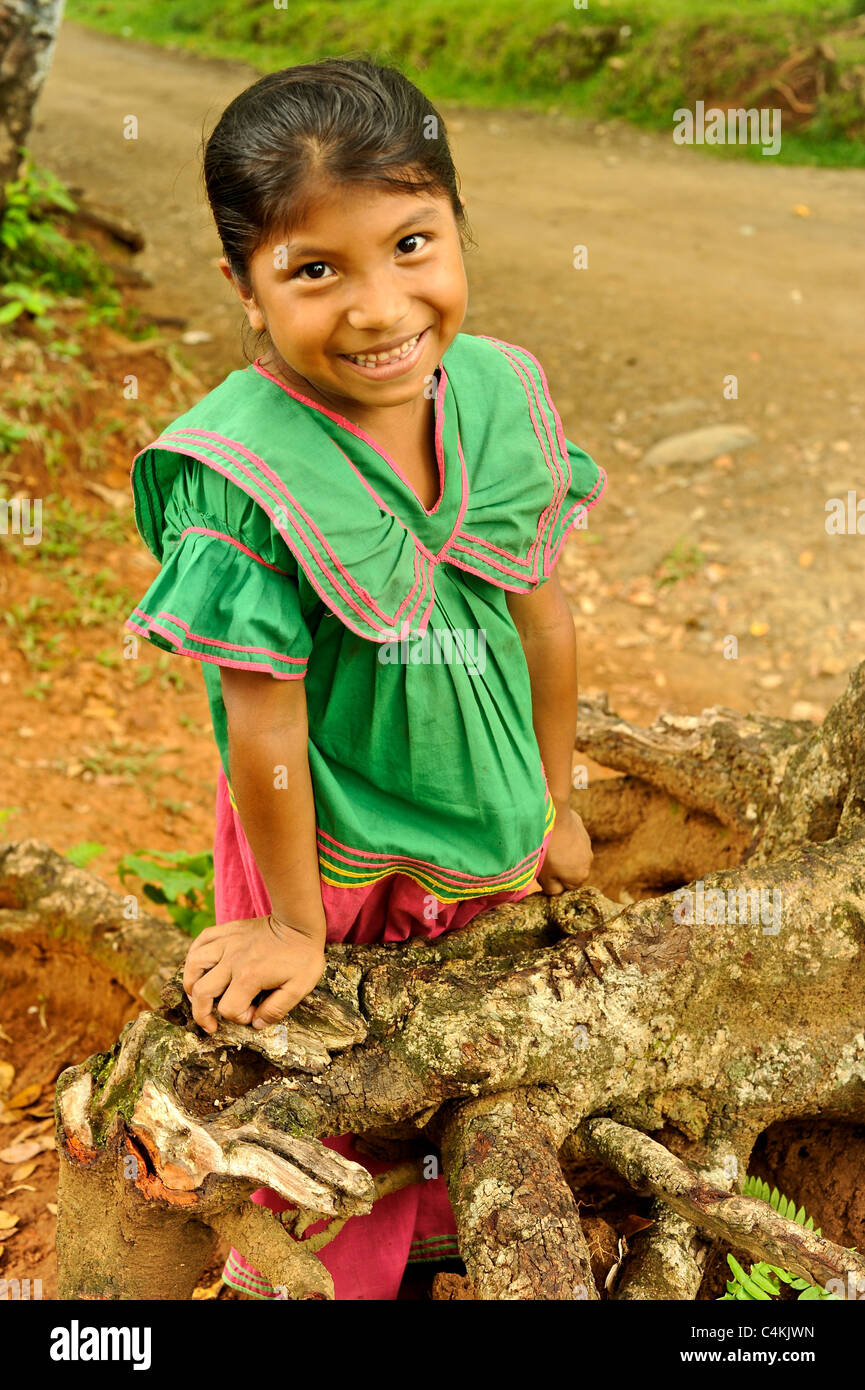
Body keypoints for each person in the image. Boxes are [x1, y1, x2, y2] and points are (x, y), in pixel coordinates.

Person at [125, 55, 607, 1301]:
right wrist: (288, 921)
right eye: (315, 269)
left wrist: (552, 800)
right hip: (322, 844)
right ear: (245, 286)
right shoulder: (245, 470)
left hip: (487, 817)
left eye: (411, 244)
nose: (381, 306)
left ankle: (454, 1225)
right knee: (328, 1089)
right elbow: (263, 713)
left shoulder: (499, 396)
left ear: (456, 226)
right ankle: (325, 1278)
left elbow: (539, 611)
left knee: (468, 1048)